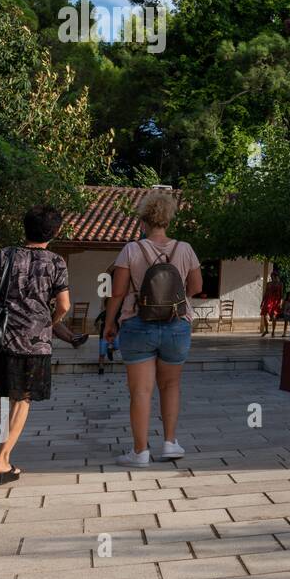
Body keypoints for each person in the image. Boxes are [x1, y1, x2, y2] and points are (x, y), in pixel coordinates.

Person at [0, 205, 72, 485]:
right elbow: (64, 304)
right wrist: (51, 321)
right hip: (34, 340)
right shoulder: (56, 262)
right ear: (56, 231)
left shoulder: (4, 254)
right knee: (22, 397)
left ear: (24, 227)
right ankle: (3, 461)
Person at [103, 190, 201, 467]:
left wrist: (109, 324)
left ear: (143, 221)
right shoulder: (185, 249)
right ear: (169, 219)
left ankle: (140, 451)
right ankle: (170, 442)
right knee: (171, 386)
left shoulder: (131, 250)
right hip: (176, 325)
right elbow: (196, 287)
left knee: (141, 391)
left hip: (137, 323)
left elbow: (118, 292)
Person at [260, 268, 283, 336]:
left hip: (276, 301)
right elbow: (266, 293)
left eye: (273, 276)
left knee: (274, 316)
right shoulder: (268, 284)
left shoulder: (280, 284)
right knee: (265, 315)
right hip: (268, 300)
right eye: (271, 276)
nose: (272, 278)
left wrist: (281, 302)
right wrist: (262, 302)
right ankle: (266, 330)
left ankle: (273, 331)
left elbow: (281, 294)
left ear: (276, 276)